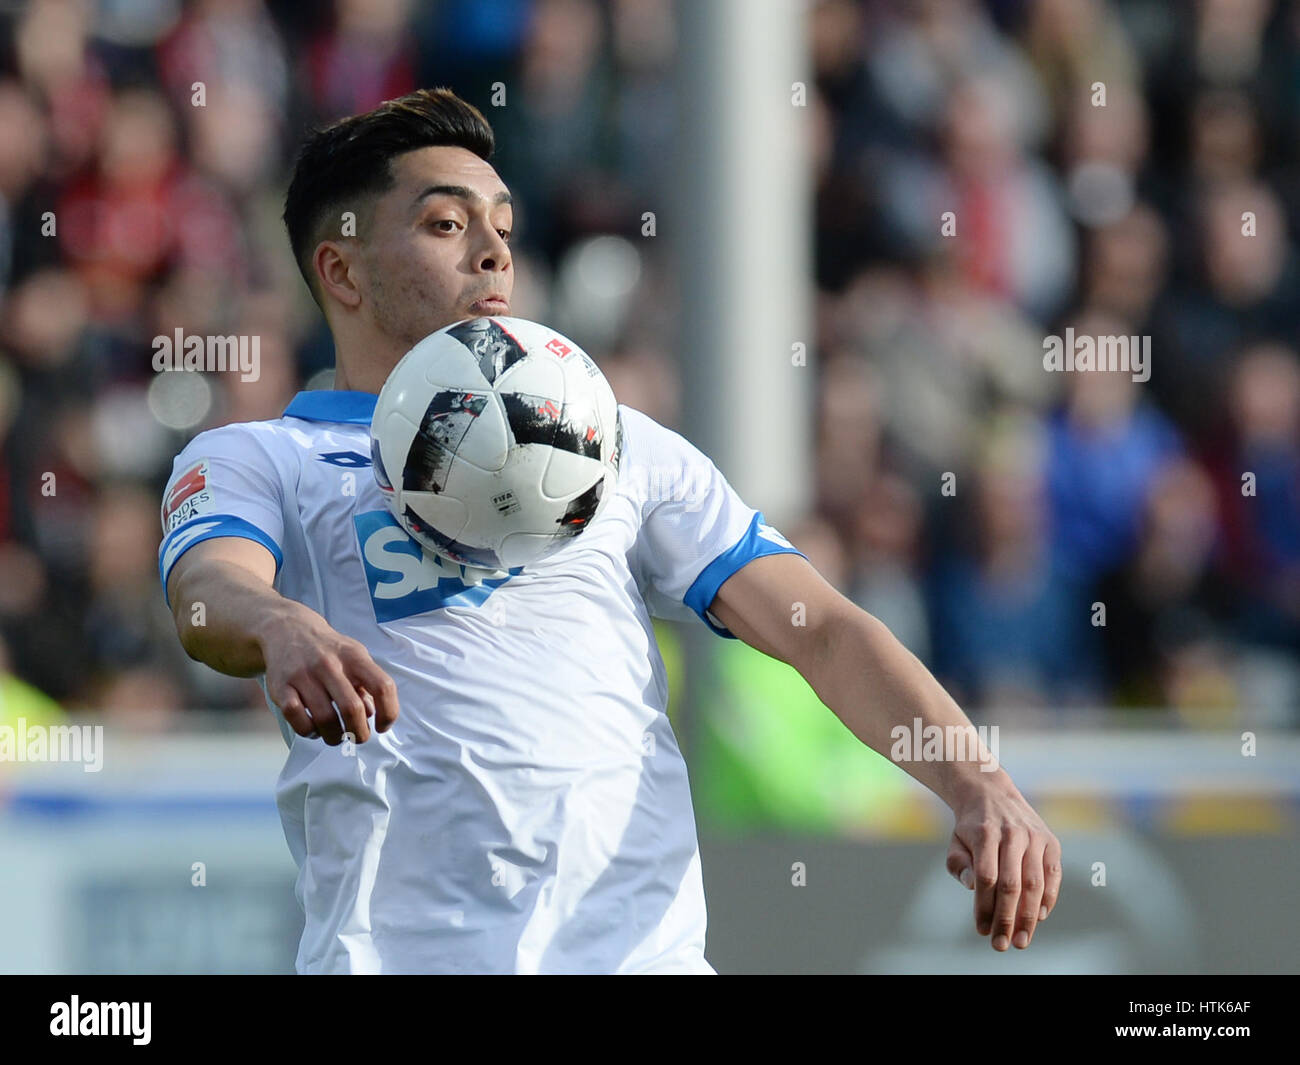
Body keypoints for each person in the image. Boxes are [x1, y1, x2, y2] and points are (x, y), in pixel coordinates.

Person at [159, 88, 1060, 974]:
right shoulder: (268, 457)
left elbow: (820, 627)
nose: (493, 256)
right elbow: (207, 595)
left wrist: (977, 780)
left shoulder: (611, 440)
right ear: (342, 269)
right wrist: (276, 622)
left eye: (504, 228)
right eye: (445, 225)